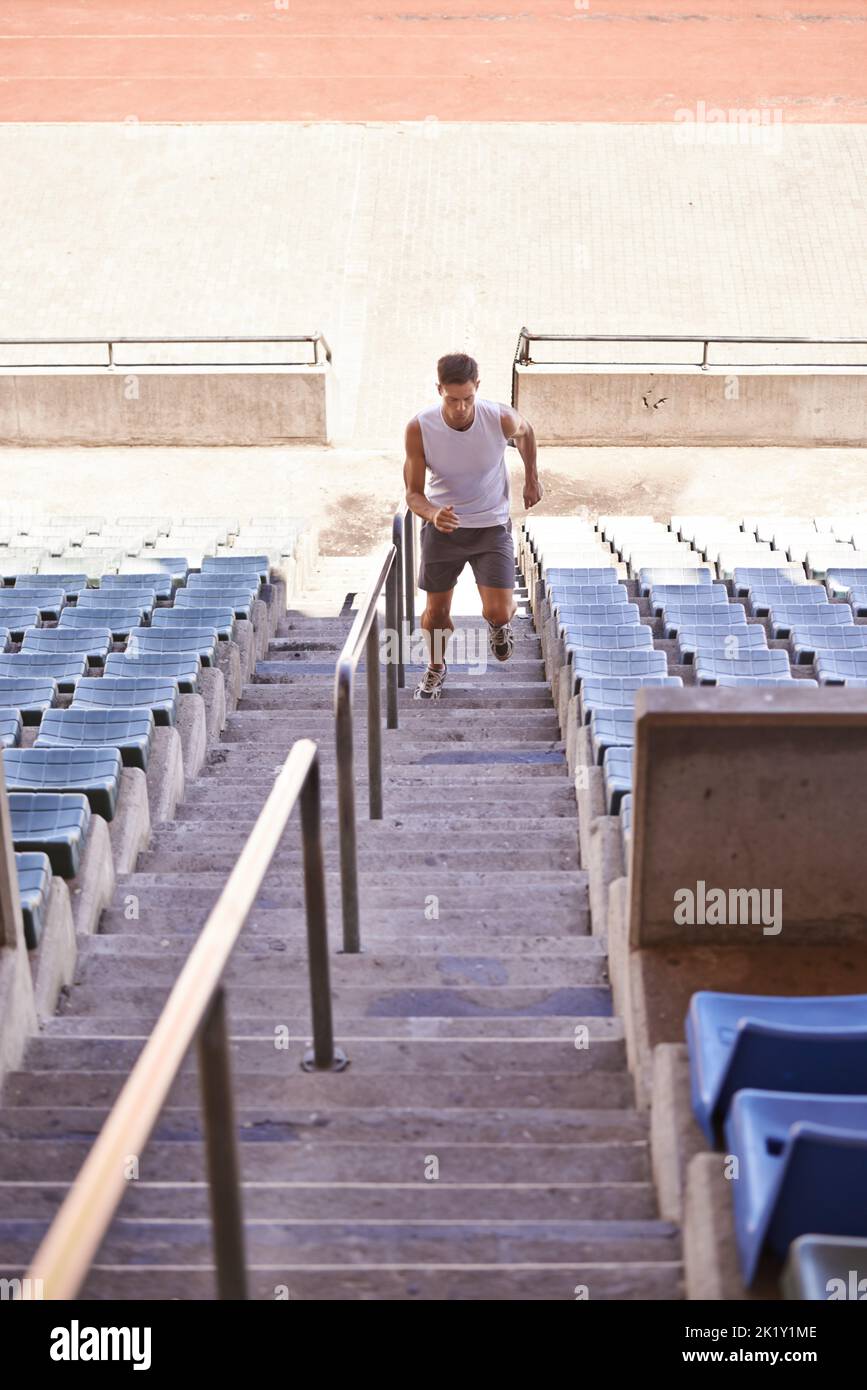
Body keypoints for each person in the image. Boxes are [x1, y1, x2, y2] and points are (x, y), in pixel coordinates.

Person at [403, 351, 542, 700]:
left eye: (468, 398)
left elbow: (526, 434)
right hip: (443, 529)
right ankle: (435, 666)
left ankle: (498, 627)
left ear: (477, 387)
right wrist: (433, 513)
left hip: (491, 525)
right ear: (439, 390)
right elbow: (413, 495)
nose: (461, 407)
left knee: (499, 608)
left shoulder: (499, 418)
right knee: (436, 613)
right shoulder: (420, 428)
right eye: (453, 399)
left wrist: (531, 479)